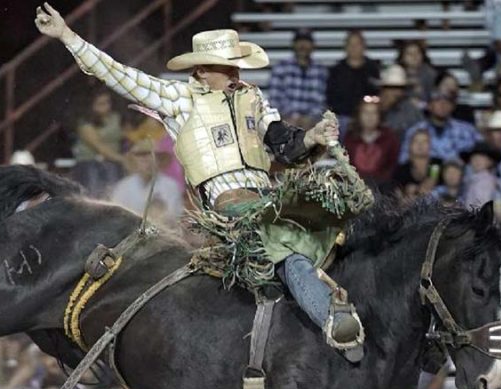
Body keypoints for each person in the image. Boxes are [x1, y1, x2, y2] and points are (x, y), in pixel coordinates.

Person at [37, 7, 366, 360]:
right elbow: (120, 75)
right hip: (231, 206)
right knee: (284, 248)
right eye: (227, 65)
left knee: (347, 224)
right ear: (203, 71)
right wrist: (68, 36)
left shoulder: (253, 98)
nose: (236, 71)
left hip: (272, 198)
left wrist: (313, 135)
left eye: (235, 63)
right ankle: (332, 318)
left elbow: (283, 141)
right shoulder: (180, 99)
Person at [110, 138, 185, 228]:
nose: (147, 161)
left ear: (159, 160)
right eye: (141, 157)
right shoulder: (123, 187)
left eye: (151, 156)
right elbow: (116, 218)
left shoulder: (170, 186)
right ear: (134, 161)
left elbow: (176, 217)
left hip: (163, 233)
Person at [266, 29, 328, 129]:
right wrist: (288, 118)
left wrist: (310, 119)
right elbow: (274, 100)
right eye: (299, 41)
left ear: (312, 46)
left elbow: (322, 102)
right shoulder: (281, 68)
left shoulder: (320, 71)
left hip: (312, 123)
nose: (303, 45)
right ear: (294, 45)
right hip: (285, 121)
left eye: (306, 42)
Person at [398, 91, 483, 163]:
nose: (442, 105)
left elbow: (484, 154)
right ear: (429, 106)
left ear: (453, 107)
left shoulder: (468, 130)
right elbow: (404, 160)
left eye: (447, 101)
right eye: (437, 101)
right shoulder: (415, 131)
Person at [326, 30, 382, 137]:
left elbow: (376, 94)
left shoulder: (372, 69)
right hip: (342, 116)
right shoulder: (336, 71)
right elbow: (331, 99)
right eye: (350, 44)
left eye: (357, 44)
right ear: (345, 47)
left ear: (364, 47)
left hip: (367, 115)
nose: (354, 47)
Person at [71, 89, 125, 196]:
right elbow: (99, 147)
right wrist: (124, 159)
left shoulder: (116, 118)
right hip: (90, 162)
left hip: (113, 162)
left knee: (115, 193)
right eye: (101, 104)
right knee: (93, 194)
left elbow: (128, 134)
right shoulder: (84, 123)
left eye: (108, 102)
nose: (106, 106)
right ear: (91, 106)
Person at [343, 97, 400, 185]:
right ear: (359, 115)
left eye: (374, 113)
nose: (370, 117)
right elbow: (345, 163)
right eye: (366, 113)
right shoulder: (350, 138)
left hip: (382, 187)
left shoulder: (389, 138)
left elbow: (392, 165)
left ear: (379, 116)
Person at [391, 129, 442, 197]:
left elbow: (432, 180)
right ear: (410, 145)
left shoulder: (436, 163)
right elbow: (397, 192)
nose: (420, 145)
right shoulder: (402, 169)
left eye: (424, 141)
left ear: (430, 145)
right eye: (416, 141)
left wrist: (416, 189)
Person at [378, 64, 424, 137]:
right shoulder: (373, 108)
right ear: (383, 90)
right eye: (391, 88)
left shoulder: (411, 110)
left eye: (399, 88)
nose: (396, 92)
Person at [461, 142, 501, 215]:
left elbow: (481, 206)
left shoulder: (485, 181)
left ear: (490, 161)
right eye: (474, 158)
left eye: (482, 157)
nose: (477, 161)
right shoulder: (474, 179)